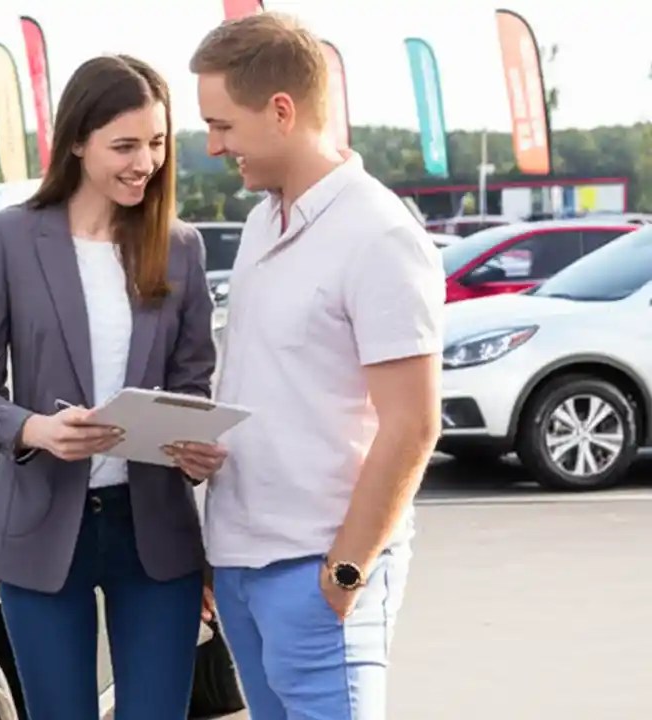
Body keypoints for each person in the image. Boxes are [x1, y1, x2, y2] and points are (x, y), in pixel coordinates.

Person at [0, 54, 227, 719]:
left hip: (154, 532)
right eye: (125, 145)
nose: (146, 162)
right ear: (78, 140)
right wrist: (33, 429)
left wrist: (193, 448)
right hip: (43, 527)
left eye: (158, 143)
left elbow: (192, 387)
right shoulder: (8, 238)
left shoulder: (181, 247)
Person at [190, 12, 445, 720]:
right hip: (242, 566)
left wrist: (345, 574)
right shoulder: (259, 224)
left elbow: (414, 423)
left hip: (319, 569)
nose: (213, 146)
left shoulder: (380, 235)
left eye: (223, 125)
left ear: (281, 111)